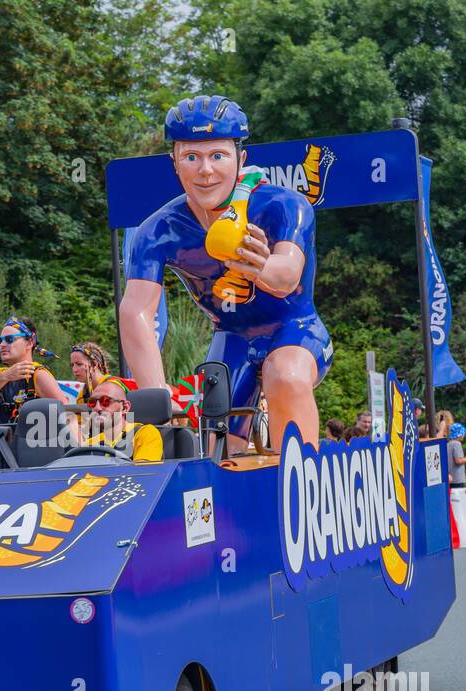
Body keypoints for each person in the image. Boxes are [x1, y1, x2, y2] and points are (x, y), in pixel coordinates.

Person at [118, 95, 328, 454]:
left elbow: (288, 276)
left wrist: (260, 265)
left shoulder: (284, 205)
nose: (206, 171)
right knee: (215, 443)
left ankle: (303, 486)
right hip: (232, 336)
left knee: (286, 376)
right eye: (191, 158)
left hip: (295, 328)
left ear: (240, 159)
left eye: (218, 156)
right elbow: (135, 311)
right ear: (175, 163)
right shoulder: (156, 230)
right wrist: (157, 396)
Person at [0, 316, 66, 426]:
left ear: (30, 342)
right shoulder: (0, 375)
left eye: (9, 339)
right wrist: (5, 377)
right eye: (0, 340)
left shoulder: (38, 375)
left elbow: (65, 413)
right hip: (2, 442)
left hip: (31, 442)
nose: (2, 345)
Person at [83, 377, 164, 462]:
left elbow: (142, 472)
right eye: (92, 402)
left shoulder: (146, 433)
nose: (97, 408)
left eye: (105, 401)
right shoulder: (90, 443)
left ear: (125, 408)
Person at [69, 342, 110, 409]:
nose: (74, 369)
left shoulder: (114, 386)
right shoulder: (82, 395)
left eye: (79, 364)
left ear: (94, 364)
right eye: (72, 365)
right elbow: (81, 419)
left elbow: (130, 416)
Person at [447, 423, 466, 489]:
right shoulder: (457, 444)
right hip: (457, 479)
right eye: (463, 433)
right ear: (459, 434)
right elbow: (458, 461)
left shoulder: (448, 444)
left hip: (450, 478)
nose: (464, 435)